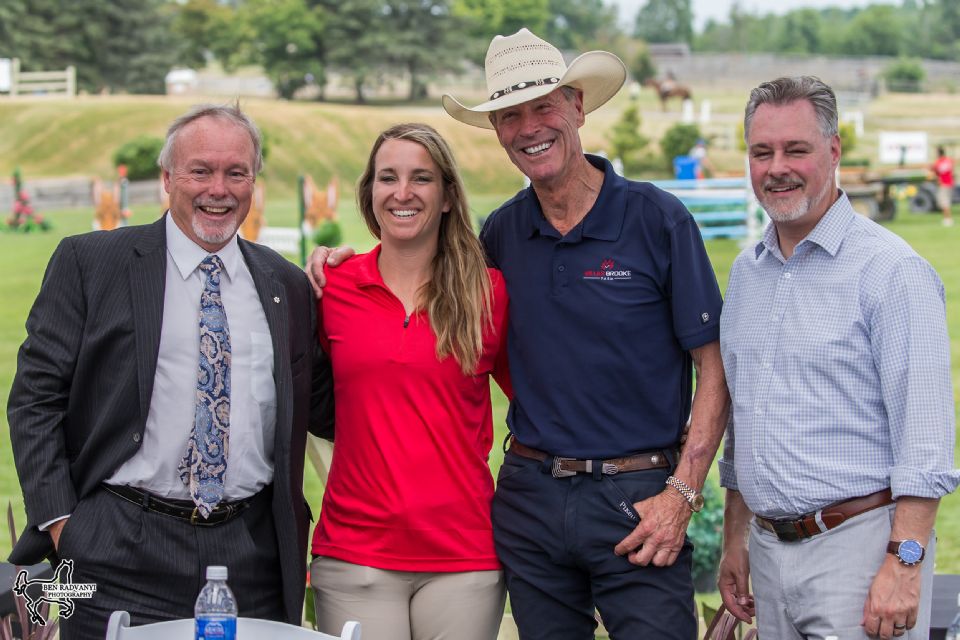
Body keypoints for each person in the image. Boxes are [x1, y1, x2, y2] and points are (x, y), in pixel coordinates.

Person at [310, 28, 728, 639]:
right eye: (511, 114)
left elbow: (712, 369)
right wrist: (340, 262)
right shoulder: (501, 236)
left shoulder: (656, 220)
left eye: (544, 106)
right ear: (498, 131)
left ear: (577, 106)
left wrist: (682, 495)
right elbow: (427, 285)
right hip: (530, 500)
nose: (529, 127)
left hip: (639, 497)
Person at [7, 104, 334, 639]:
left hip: (250, 554)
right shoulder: (91, 263)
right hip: (115, 547)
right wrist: (65, 526)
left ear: (253, 180)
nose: (219, 189)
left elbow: (329, 406)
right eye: (200, 171)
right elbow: (35, 399)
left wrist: (376, 281)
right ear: (166, 178)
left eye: (237, 172)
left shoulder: (286, 284)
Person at [717, 76, 958, 640]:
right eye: (762, 152)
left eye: (795, 149)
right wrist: (735, 537)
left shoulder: (892, 273)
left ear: (834, 150)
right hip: (769, 555)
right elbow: (744, 420)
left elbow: (924, 437)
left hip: (861, 552)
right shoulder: (746, 274)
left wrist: (904, 562)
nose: (777, 167)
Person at [309, 123, 510, 640]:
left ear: (446, 196)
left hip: (464, 557)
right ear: (370, 193)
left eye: (421, 178)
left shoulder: (487, 293)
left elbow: (543, 402)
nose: (402, 193)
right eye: (387, 178)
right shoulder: (332, 287)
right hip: (355, 554)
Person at [931, 145, 954, 227]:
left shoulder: (938, 162)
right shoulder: (948, 160)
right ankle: (948, 219)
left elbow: (935, 171)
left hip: (943, 184)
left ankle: (947, 219)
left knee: (944, 203)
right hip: (950, 183)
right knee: (946, 202)